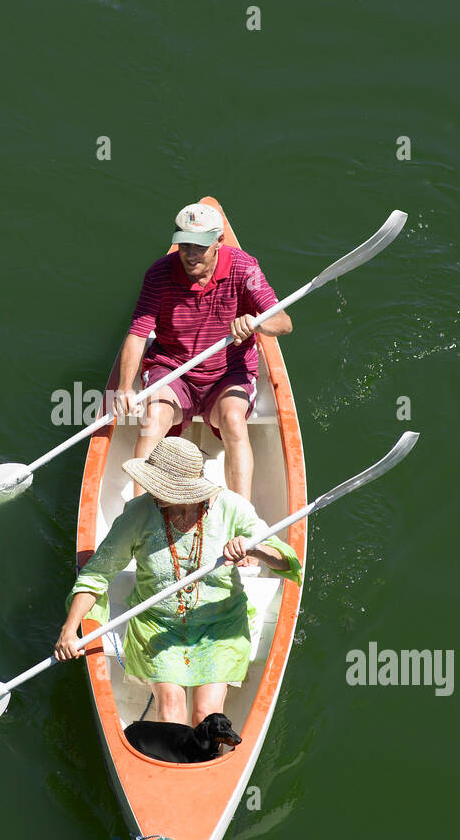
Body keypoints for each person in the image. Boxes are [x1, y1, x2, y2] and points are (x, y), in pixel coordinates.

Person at [53, 437, 302, 727]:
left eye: (161, 488)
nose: (152, 492)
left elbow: (286, 562)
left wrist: (254, 548)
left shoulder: (233, 508)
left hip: (220, 624)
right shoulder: (138, 514)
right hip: (158, 626)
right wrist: (69, 629)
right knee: (171, 710)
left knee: (206, 715)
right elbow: (96, 575)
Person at [114, 201, 291, 504]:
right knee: (153, 418)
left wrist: (257, 323)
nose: (190, 254)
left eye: (200, 246)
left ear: (219, 242)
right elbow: (138, 334)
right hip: (172, 369)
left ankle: (241, 516)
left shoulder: (244, 268)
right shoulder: (159, 275)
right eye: (184, 245)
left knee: (235, 421)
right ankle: (138, 513)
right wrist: (122, 389)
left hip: (228, 373)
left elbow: (283, 322)